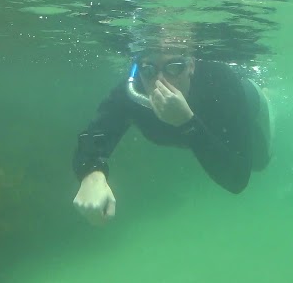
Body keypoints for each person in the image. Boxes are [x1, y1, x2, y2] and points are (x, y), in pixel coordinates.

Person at [71, 50, 272, 224]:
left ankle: (267, 94)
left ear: (191, 65)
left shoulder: (220, 81)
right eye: (148, 70)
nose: (159, 81)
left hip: (249, 101)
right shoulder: (132, 92)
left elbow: (237, 180)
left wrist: (187, 122)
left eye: (174, 67)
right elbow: (94, 136)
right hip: (205, 129)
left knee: (260, 162)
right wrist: (92, 175)